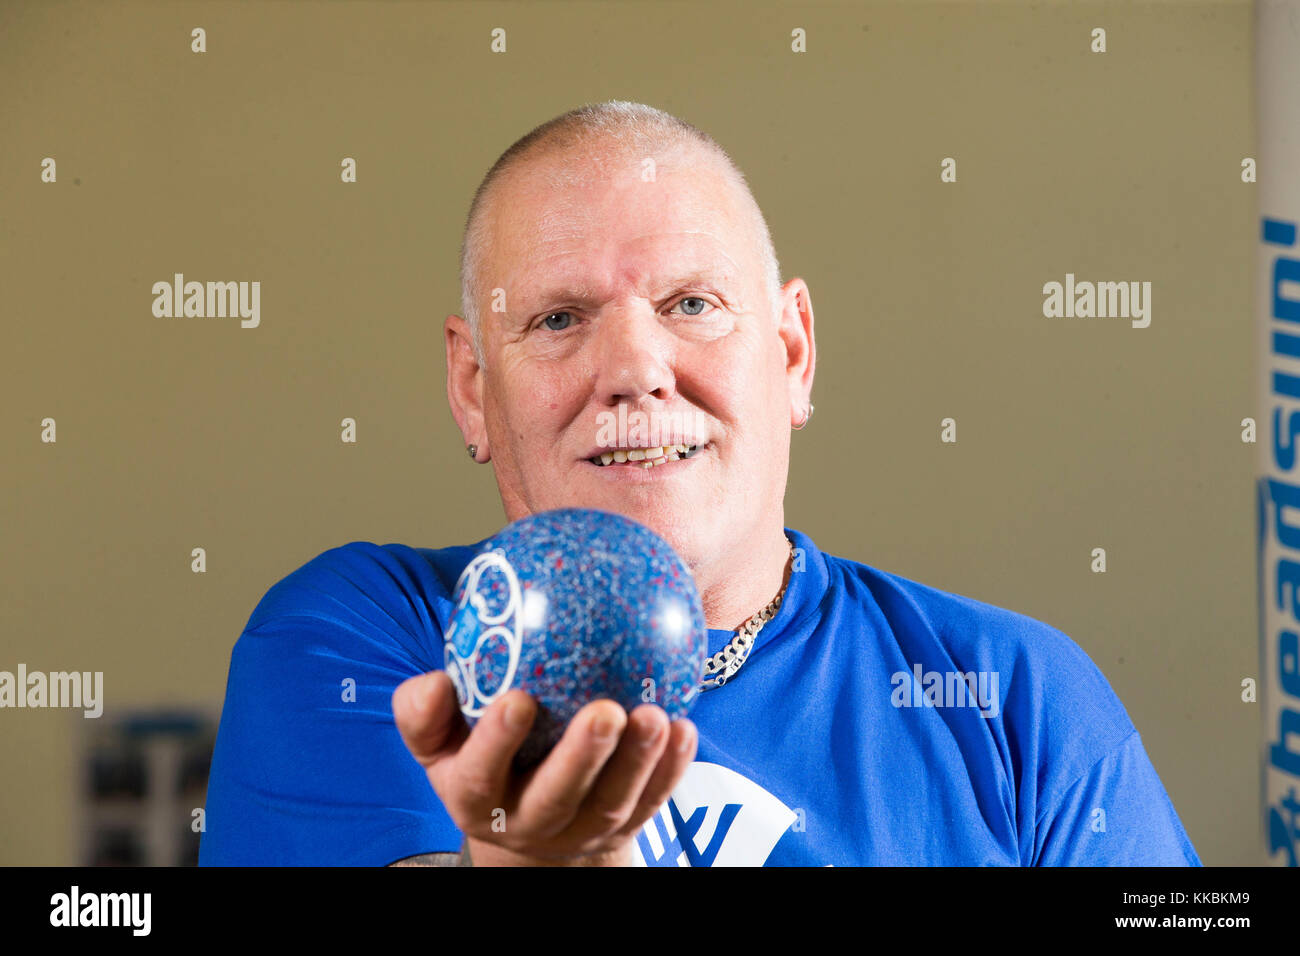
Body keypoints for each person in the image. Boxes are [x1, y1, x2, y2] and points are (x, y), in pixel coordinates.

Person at [199, 101, 1201, 867]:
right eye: (557, 319)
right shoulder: (362, 637)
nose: (635, 365)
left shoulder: (1017, 699)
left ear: (793, 351)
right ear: (473, 389)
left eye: (691, 302)